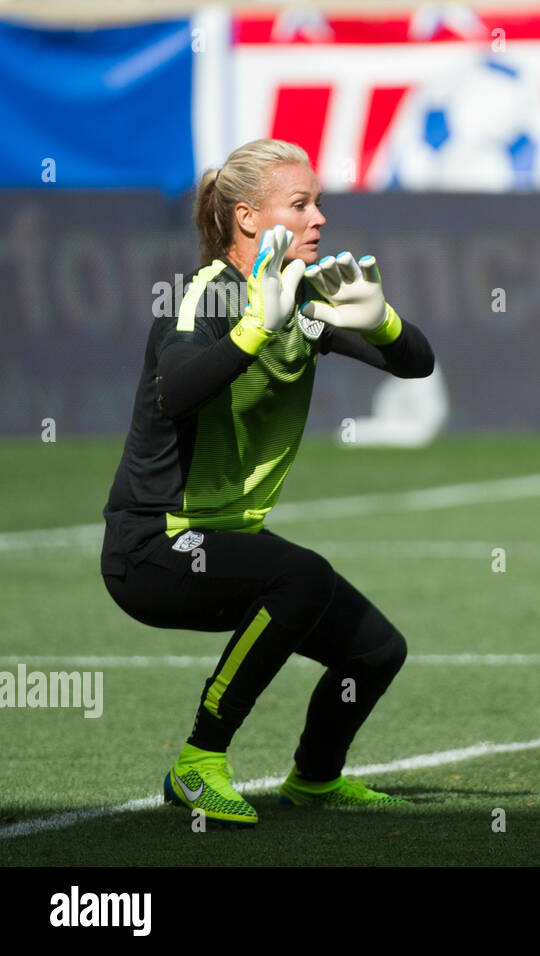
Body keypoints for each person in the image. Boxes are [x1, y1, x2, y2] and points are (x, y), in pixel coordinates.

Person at [99, 138, 435, 827]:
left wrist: (383, 321)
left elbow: (416, 365)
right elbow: (175, 390)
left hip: (226, 541)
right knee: (301, 577)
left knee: (375, 652)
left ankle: (314, 779)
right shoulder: (205, 295)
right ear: (248, 218)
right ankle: (198, 763)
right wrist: (256, 328)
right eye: (301, 203)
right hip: (152, 546)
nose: (319, 219)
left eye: (319, 203)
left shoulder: (305, 298)